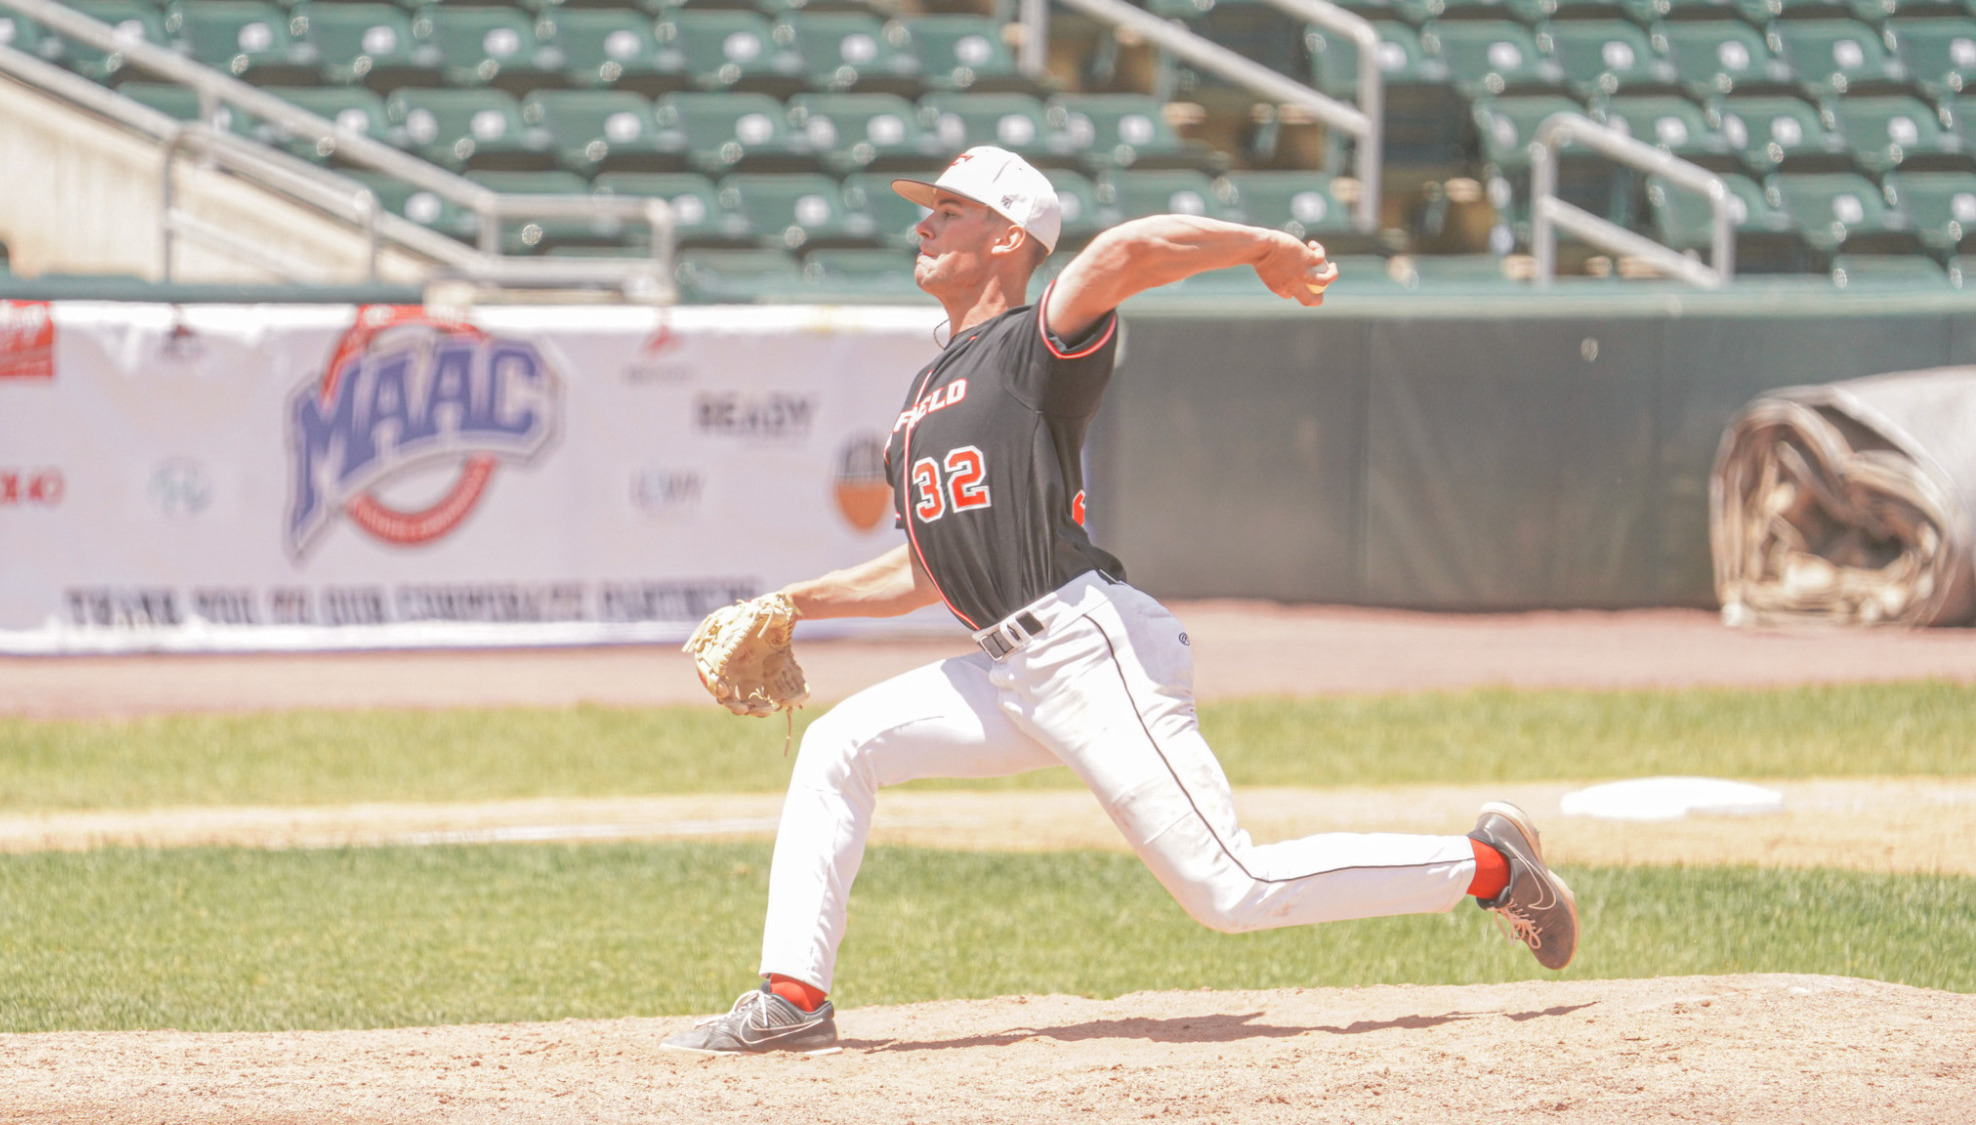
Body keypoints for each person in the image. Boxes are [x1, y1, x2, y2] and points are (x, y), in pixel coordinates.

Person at [660, 146, 1578, 1057]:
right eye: (929, 209)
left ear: (1008, 237)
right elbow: (928, 570)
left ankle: (1492, 866)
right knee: (838, 746)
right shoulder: (924, 395)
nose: (924, 224)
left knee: (1232, 889)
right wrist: (794, 603)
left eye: (949, 210)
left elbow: (1125, 251)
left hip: (1088, 650)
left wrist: (1263, 246)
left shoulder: (1035, 345)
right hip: (1008, 670)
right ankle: (793, 998)